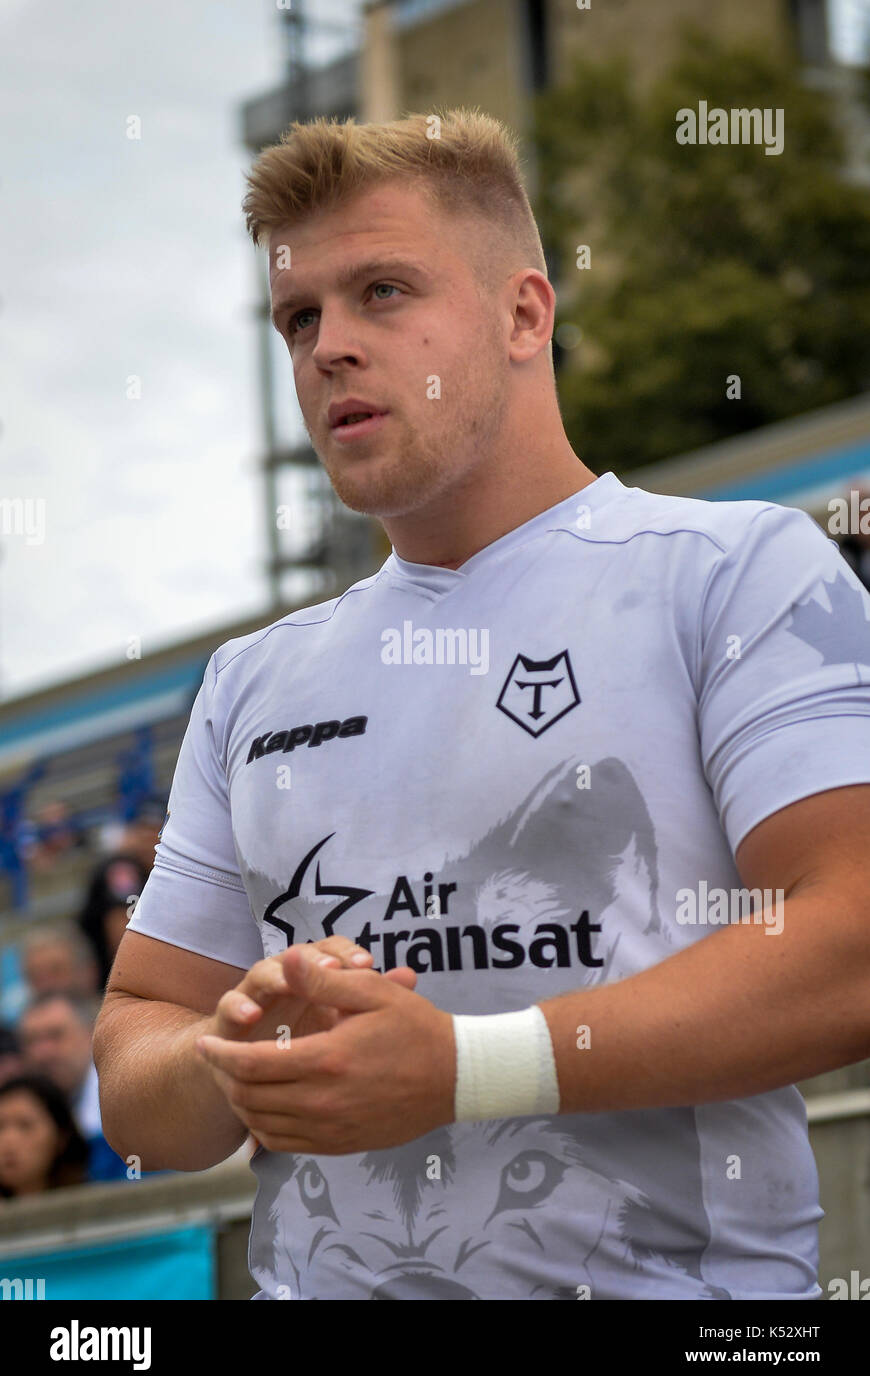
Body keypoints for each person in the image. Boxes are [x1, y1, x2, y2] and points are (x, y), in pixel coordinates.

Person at [94, 109, 870, 1300]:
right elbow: (140, 1040)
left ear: (524, 313)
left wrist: (468, 1068)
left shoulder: (730, 572)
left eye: (384, 292)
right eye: (299, 319)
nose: (329, 349)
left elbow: (852, 939)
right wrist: (228, 1062)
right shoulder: (252, 681)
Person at [18, 993, 127, 1182]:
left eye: (55, 1036)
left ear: (92, 1034)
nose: (43, 1053)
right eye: (32, 1041)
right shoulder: (16, 1105)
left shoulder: (127, 1092)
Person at [77, 800, 165, 991]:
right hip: (112, 984)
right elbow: (123, 933)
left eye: (154, 831)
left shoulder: (157, 872)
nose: (147, 839)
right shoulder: (123, 868)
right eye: (142, 830)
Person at [0, 1073, 89, 1198]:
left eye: (25, 1125)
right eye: (0, 1127)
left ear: (61, 1136)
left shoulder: (92, 1203)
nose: (8, 1139)